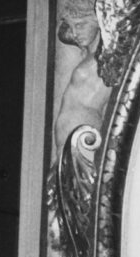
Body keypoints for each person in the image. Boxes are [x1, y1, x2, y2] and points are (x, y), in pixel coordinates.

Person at [54, 0, 111, 156]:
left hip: (85, 139)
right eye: (72, 27)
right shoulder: (90, 56)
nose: (75, 33)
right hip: (70, 142)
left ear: (98, 21)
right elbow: (62, 35)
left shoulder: (106, 57)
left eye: (80, 25)